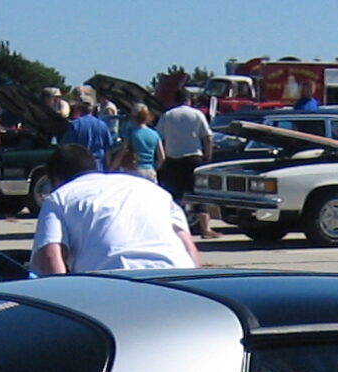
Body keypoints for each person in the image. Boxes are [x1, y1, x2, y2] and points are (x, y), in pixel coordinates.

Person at [29, 141, 201, 274]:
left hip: (112, 283)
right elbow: (187, 243)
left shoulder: (60, 197)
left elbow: (51, 256)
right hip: (176, 277)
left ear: (56, 180)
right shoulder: (151, 188)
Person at [156, 87, 215, 238]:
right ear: (189, 100)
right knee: (200, 194)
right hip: (194, 159)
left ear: (175, 100)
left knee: (174, 196)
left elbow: (159, 138)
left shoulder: (167, 115)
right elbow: (207, 137)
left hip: (173, 160)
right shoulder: (197, 114)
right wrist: (208, 156)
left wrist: (160, 158)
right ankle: (205, 229)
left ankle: (177, 230)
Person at [66, 88, 113, 174]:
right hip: (99, 167)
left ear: (79, 108)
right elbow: (108, 150)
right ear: (92, 108)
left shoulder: (74, 125)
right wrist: (108, 169)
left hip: (80, 167)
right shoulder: (102, 125)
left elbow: (69, 148)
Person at [125, 101, 162, 179]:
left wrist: (112, 167)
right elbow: (162, 157)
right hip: (150, 171)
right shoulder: (155, 134)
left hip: (135, 169)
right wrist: (155, 169)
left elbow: (122, 151)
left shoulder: (131, 132)